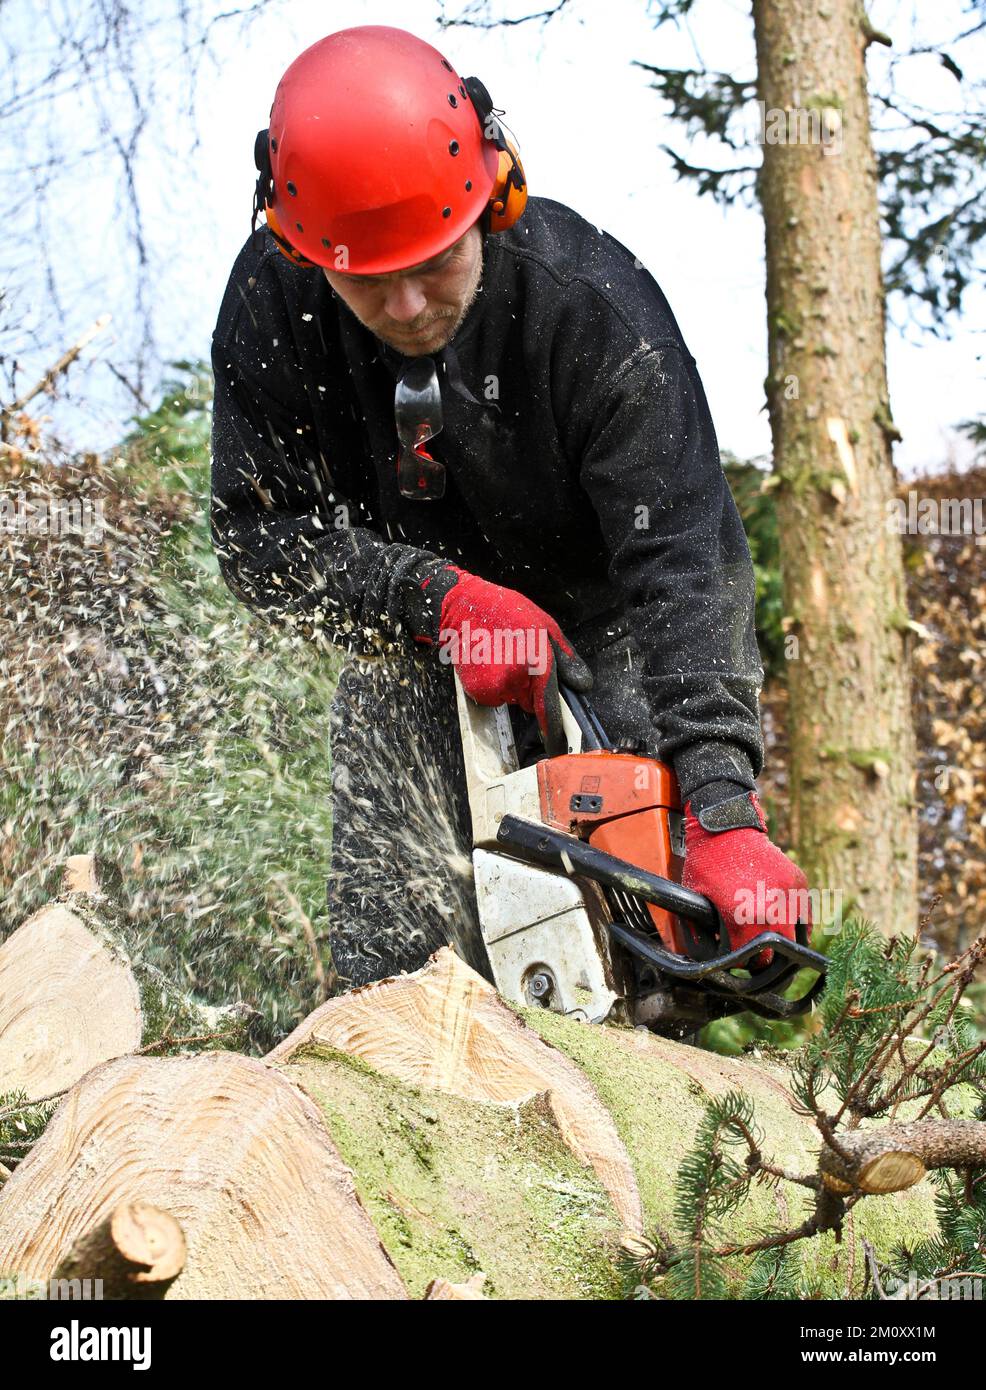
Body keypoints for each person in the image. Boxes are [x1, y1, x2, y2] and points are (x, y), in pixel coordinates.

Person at [210, 24, 809, 989]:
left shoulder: (595, 315)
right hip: (413, 646)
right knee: (398, 977)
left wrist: (724, 807)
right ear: (300, 246)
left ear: (495, 198)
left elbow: (689, 561)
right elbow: (254, 536)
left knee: (631, 973)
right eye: (369, 275)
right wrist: (435, 601)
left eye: (432, 262)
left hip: (601, 644)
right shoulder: (276, 309)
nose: (405, 306)